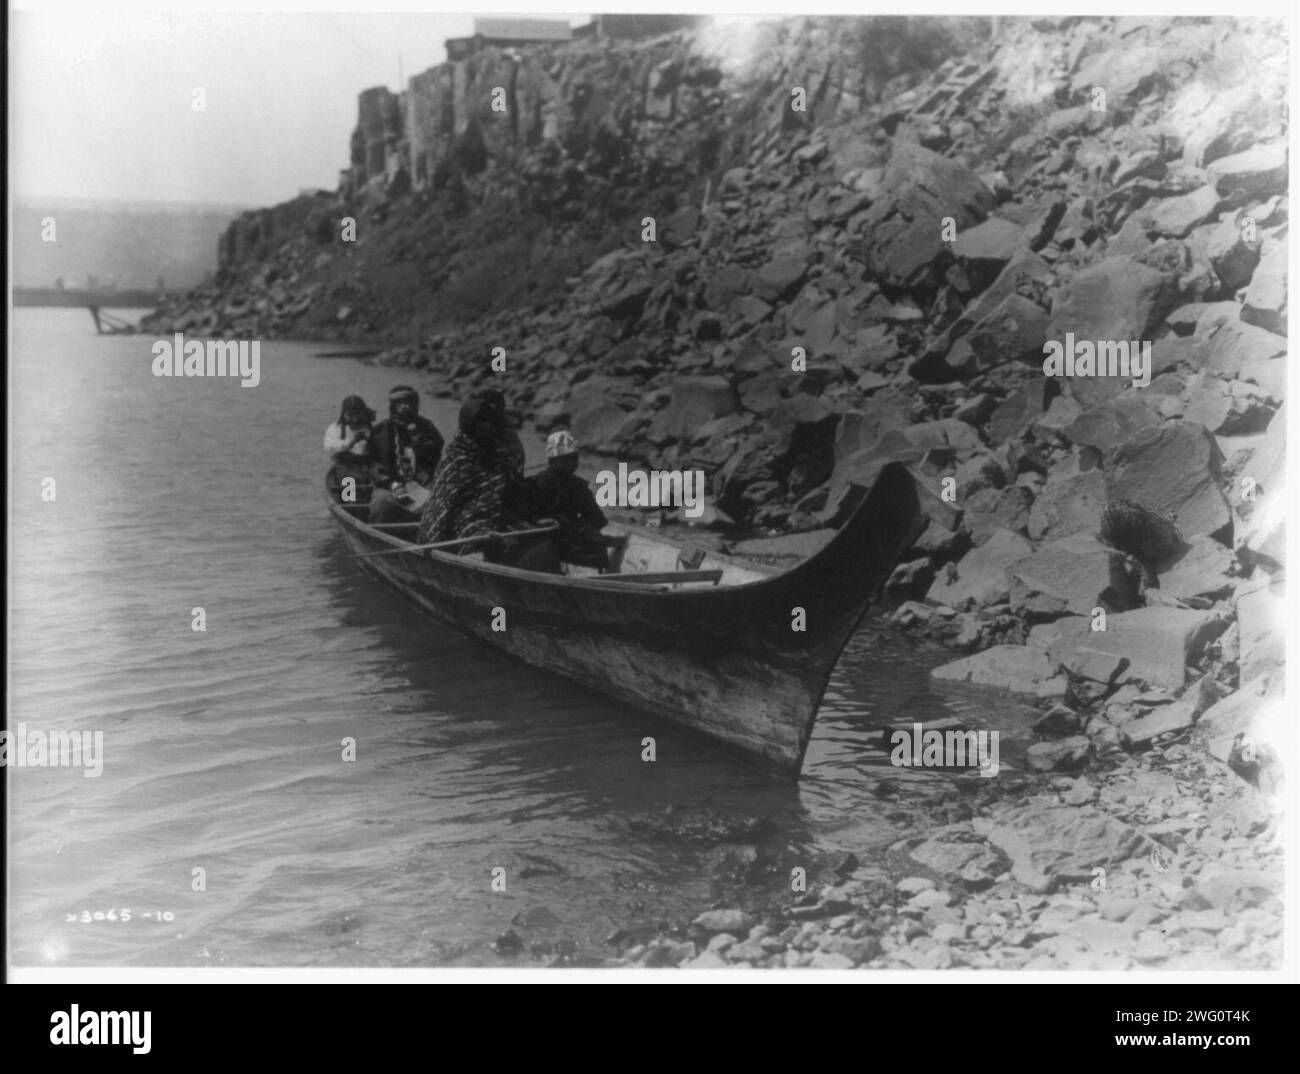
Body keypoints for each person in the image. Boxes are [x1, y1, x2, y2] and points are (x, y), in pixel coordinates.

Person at [417, 395, 560, 572]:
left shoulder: (498, 457)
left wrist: (536, 521)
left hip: (497, 521)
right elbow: (440, 509)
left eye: (491, 422)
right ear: (470, 425)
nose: (488, 427)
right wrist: (434, 546)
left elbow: (515, 496)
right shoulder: (456, 460)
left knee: (541, 542)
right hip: (463, 528)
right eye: (481, 423)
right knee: (487, 544)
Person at [524, 430, 610, 570]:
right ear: (552, 461)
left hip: (568, 536)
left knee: (598, 548)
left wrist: (582, 527)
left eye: (573, 458)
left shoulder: (579, 486)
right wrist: (539, 522)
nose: (571, 463)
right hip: (543, 537)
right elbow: (526, 515)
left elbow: (597, 518)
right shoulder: (539, 483)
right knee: (545, 551)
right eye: (565, 459)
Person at [368, 385, 445, 524]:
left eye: (409, 402)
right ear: (393, 406)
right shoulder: (381, 430)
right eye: (400, 403)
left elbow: (434, 456)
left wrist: (418, 439)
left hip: (421, 482)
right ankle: (379, 539)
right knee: (382, 505)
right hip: (389, 485)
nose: (405, 406)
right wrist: (393, 484)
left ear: (415, 404)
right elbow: (374, 464)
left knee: (441, 501)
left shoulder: (427, 428)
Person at [324, 395, 377, 504]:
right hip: (344, 467)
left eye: (358, 414)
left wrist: (370, 439)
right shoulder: (335, 429)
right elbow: (331, 449)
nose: (355, 419)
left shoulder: (373, 428)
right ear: (343, 415)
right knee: (350, 481)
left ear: (364, 413)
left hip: (369, 466)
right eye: (350, 415)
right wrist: (351, 442)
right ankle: (353, 506)